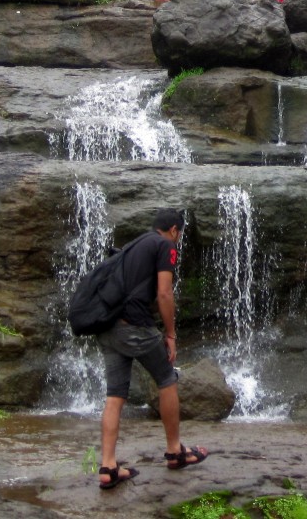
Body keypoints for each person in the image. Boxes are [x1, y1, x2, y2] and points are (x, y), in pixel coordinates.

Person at [94, 207, 208, 490]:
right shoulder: (165, 247)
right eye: (179, 235)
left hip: (108, 326)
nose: (178, 240)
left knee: (115, 394)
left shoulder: (135, 244)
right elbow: (164, 293)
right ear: (173, 230)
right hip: (134, 327)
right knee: (167, 378)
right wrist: (170, 334)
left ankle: (108, 466)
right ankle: (175, 451)